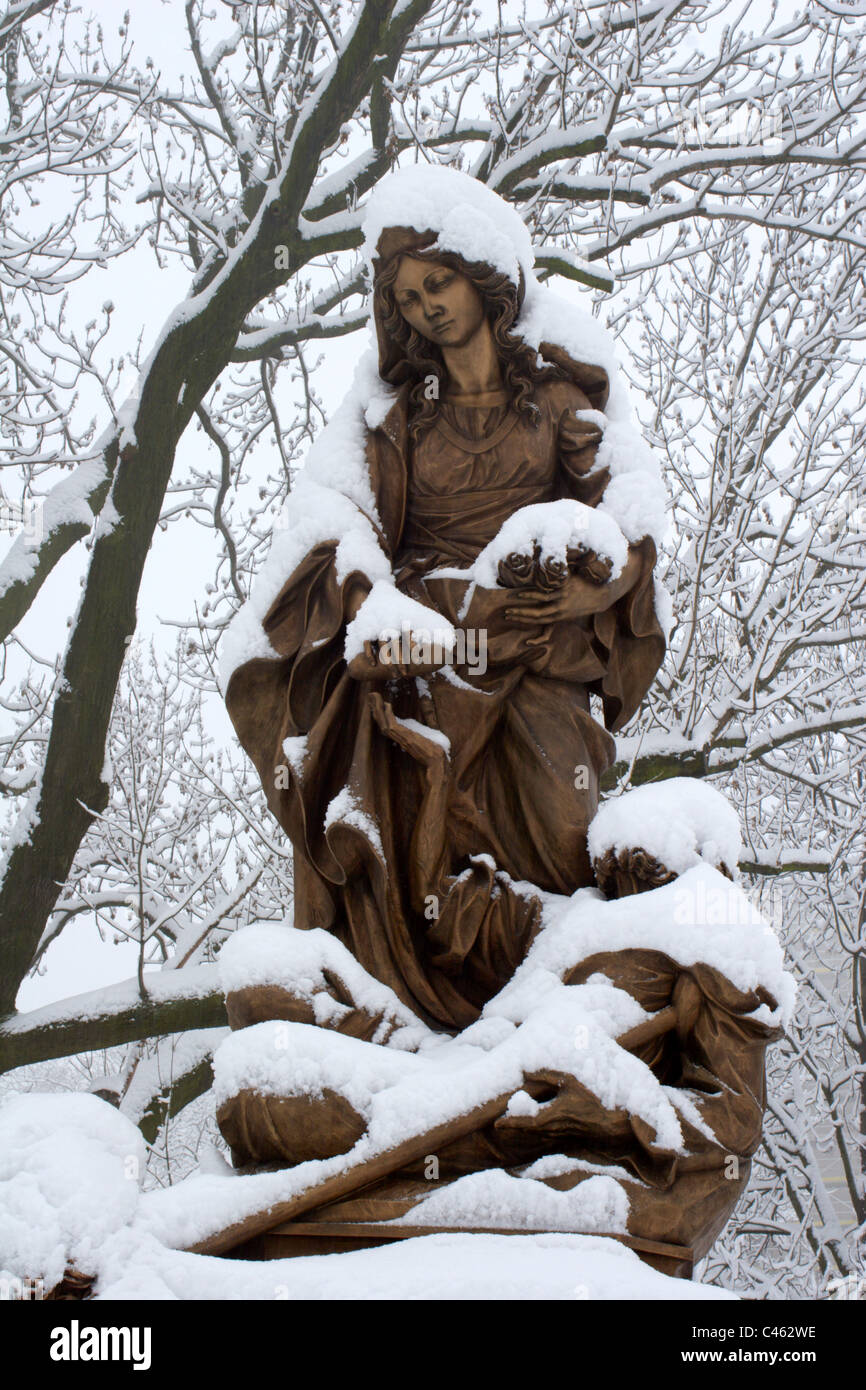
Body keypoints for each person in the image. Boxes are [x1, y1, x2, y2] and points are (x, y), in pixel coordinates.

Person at [223, 169, 666, 1032]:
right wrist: (369, 603)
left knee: (561, 834)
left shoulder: (556, 401)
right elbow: (335, 511)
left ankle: (551, 1023)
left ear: (481, 273)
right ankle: (421, 1035)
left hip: (537, 646)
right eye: (408, 295)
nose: (427, 306)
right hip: (427, 648)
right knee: (416, 838)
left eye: (439, 282)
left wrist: (592, 586)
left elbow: (630, 513)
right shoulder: (393, 416)